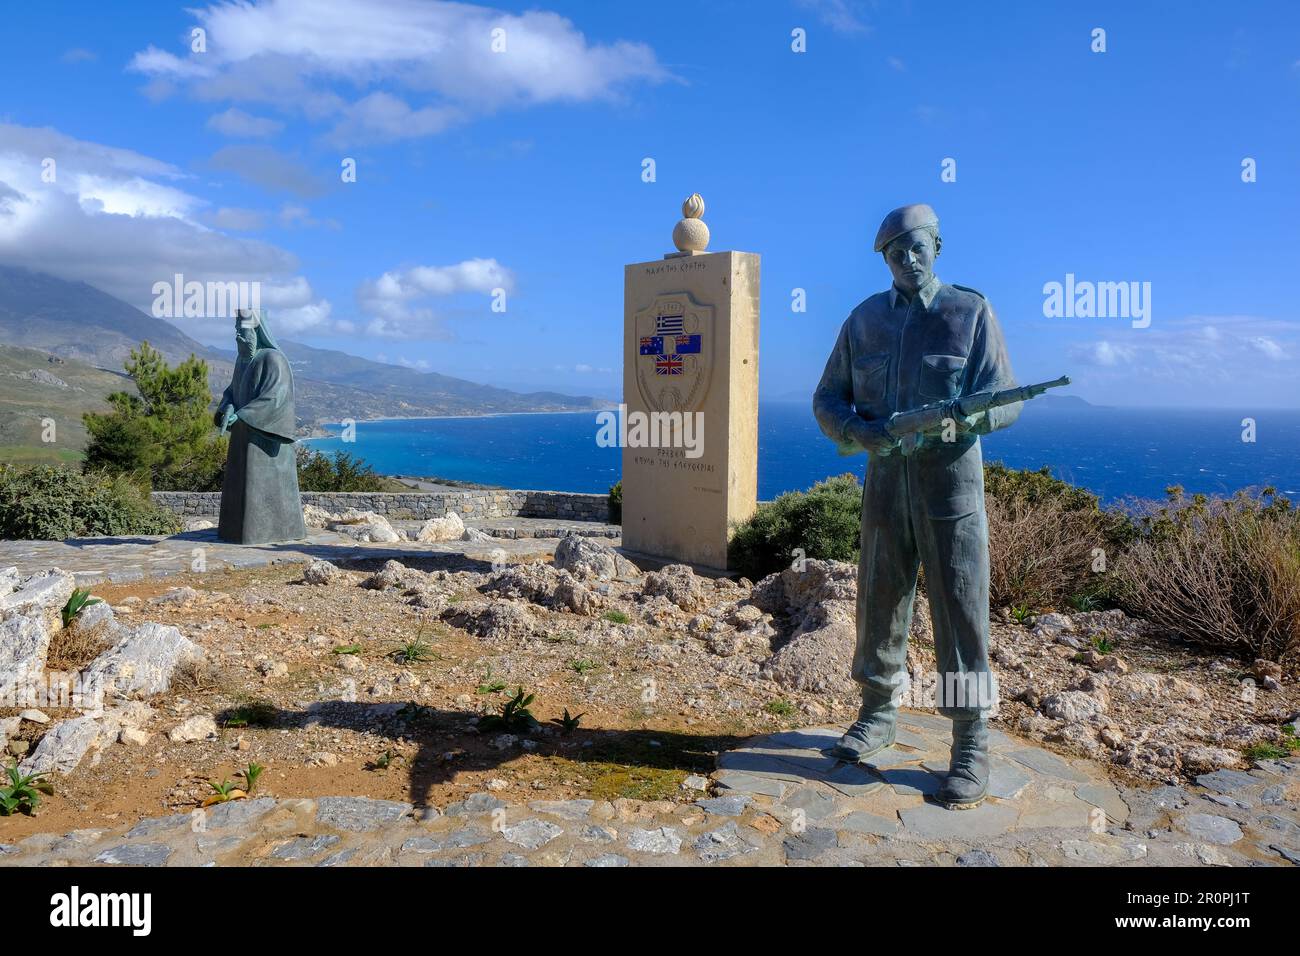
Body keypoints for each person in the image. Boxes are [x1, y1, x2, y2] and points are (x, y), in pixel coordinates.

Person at [812, 204, 1022, 809]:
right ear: (883, 258)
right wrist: (857, 429)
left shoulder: (970, 312)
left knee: (960, 609)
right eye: (894, 250)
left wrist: (967, 418)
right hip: (885, 484)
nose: (907, 258)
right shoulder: (864, 321)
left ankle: (970, 742)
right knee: (879, 598)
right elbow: (828, 397)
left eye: (917, 246)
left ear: (938, 244)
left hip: (949, 487)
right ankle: (877, 714)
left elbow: (1007, 400)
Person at [215, 310, 307, 545]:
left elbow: (276, 397)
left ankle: (276, 531)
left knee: (264, 488)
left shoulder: (273, 359)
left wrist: (243, 415)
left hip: (265, 440)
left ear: (257, 331)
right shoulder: (242, 361)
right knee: (241, 485)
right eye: (236, 330)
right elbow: (231, 392)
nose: (238, 336)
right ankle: (236, 532)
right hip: (243, 437)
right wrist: (227, 407)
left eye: (242, 330)